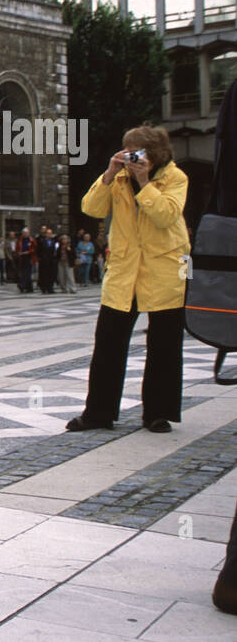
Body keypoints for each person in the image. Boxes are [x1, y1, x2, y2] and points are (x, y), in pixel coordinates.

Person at [66, 127, 190, 434]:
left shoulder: (176, 178)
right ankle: (98, 413)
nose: (131, 156)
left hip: (164, 271)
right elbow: (91, 208)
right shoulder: (118, 177)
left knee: (164, 345)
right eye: (127, 150)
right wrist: (109, 173)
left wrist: (144, 182)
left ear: (155, 154)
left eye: (137, 151)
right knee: (108, 343)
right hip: (124, 270)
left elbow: (166, 215)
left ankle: (158, 413)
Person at [14, 227, 36, 292]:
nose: (25, 234)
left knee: (27, 272)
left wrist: (28, 252)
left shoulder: (31, 240)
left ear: (28, 233)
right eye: (24, 233)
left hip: (29, 257)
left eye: (26, 233)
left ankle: (22, 285)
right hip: (22, 257)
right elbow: (17, 248)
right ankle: (29, 287)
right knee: (23, 272)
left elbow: (34, 248)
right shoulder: (20, 240)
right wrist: (18, 252)